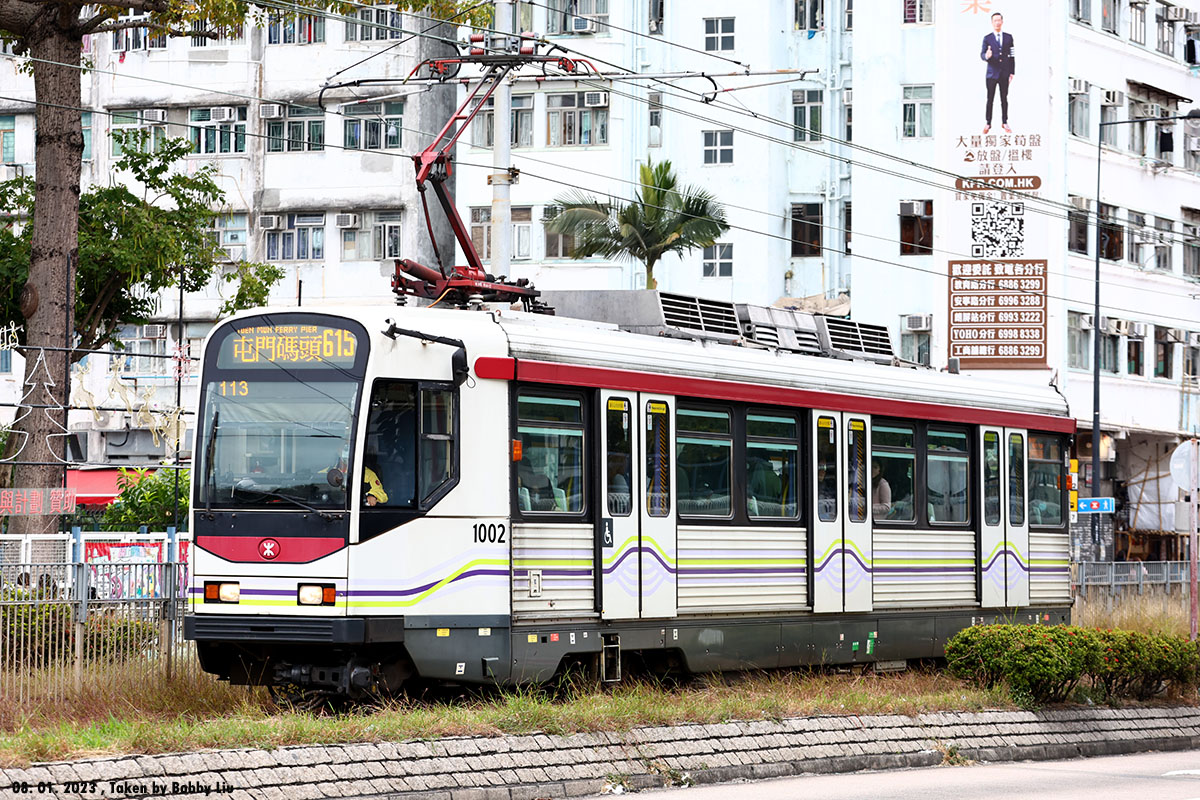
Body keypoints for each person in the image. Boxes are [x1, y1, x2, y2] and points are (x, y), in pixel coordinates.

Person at [980, 11, 1015, 134]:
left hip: (1004, 72)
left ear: (1002, 22)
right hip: (991, 73)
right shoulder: (987, 38)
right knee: (990, 98)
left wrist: (1012, 72)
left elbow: (1012, 55)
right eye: (995, 20)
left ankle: (1004, 122)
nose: (997, 22)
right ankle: (988, 122)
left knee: (1004, 98)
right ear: (992, 22)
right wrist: (986, 56)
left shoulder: (1008, 37)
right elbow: (982, 54)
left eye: (999, 20)